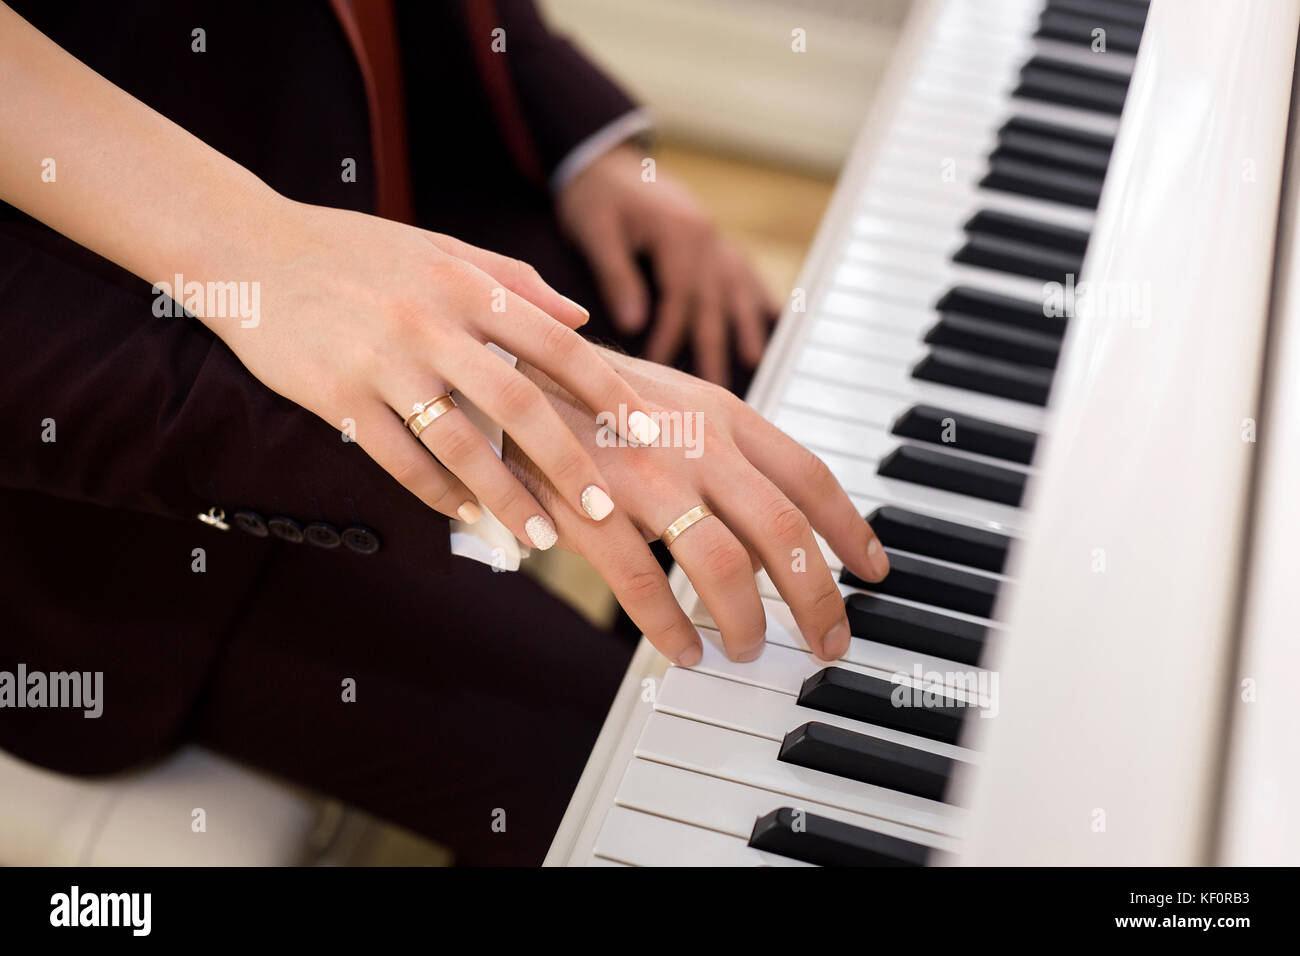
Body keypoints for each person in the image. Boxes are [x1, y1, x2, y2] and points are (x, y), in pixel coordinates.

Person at [0, 0, 889, 865]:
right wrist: (507, 427)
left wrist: (587, 147)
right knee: (675, 796)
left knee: (794, 421)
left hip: (409, 206)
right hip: (135, 493)